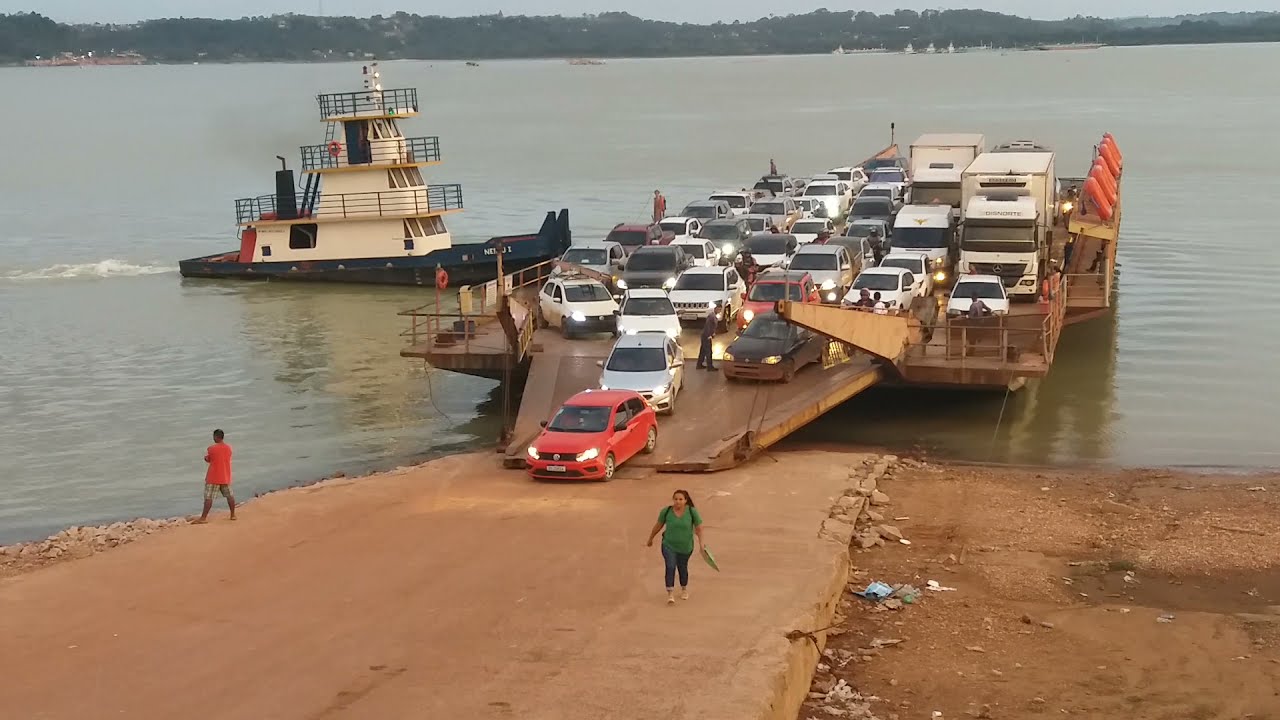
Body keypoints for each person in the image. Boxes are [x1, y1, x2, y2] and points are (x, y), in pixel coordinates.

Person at [646, 489, 704, 604]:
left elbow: (699, 529)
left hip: (685, 547)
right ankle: (670, 593)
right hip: (668, 545)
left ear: (685, 501)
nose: (677, 501)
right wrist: (650, 538)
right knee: (670, 566)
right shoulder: (666, 511)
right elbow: (658, 526)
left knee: (682, 567)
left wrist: (701, 544)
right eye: (676, 499)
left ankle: (684, 588)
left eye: (680, 499)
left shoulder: (692, 512)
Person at [197, 429, 235, 523]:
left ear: (216, 437)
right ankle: (233, 515)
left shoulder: (211, 448)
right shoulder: (228, 448)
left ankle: (203, 518)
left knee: (208, 498)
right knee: (229, 496)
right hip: (225, 476)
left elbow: (209, 459)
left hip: (213, 477)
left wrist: (206, 458)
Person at [696, 303, 720, 370]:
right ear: (715, 309)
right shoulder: (711, 316)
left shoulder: (713, 316)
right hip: (706, 336)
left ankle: (699, 364)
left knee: (703, 351)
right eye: (718, 309)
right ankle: (710, 366)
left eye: (720, 309)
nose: (719, 311)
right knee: (708, 351)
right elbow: (708, 326)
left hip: (705, 335)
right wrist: (709, 335)